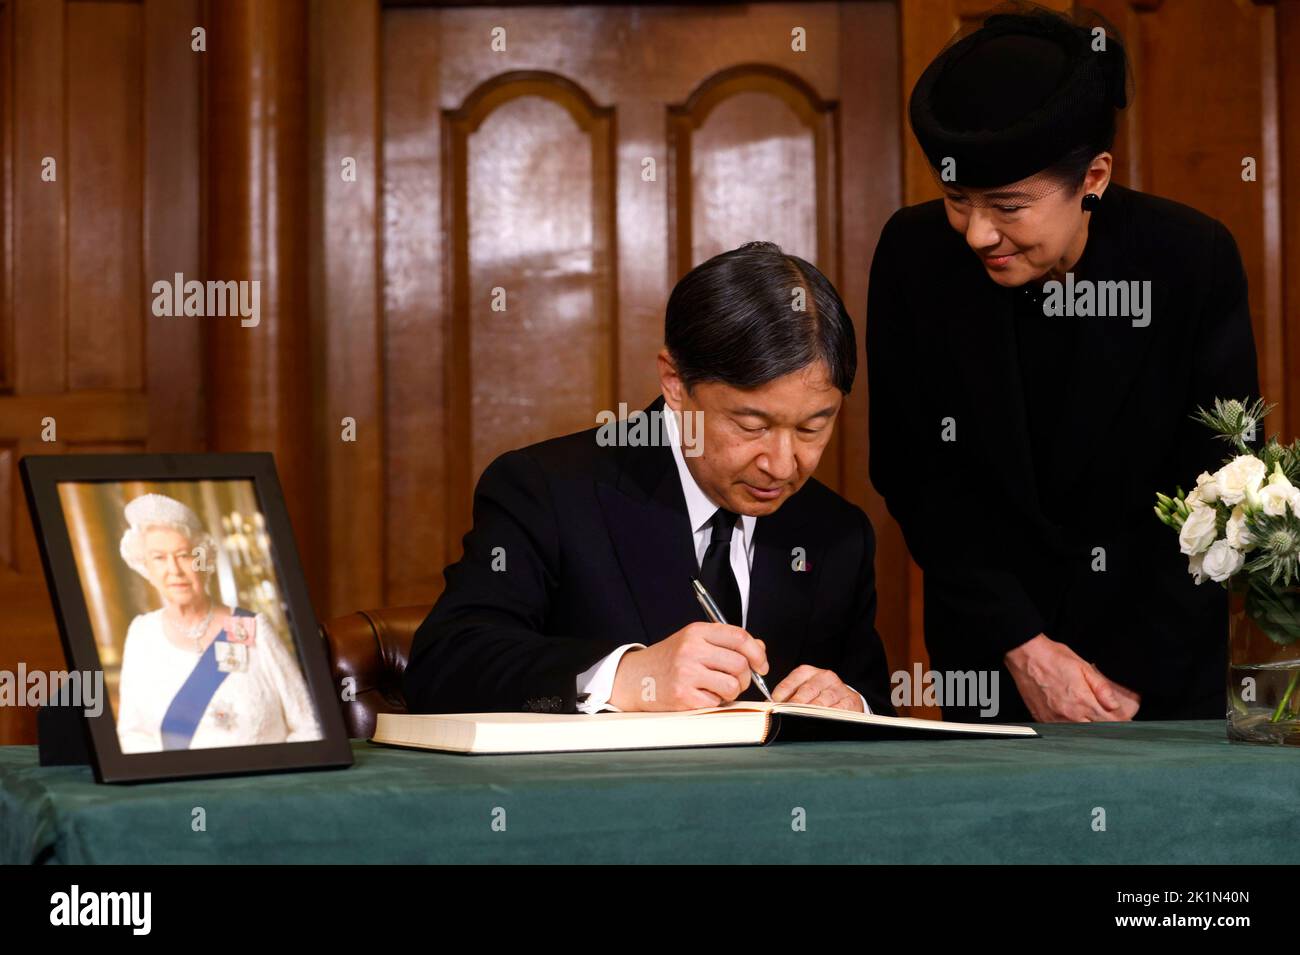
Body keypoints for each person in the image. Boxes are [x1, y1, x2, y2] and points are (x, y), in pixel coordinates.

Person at [867, 2, 1259, 723]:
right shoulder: (914, 257)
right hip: (993, 662)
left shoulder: (1189, 260)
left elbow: (1220, 485)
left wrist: (1125, 681)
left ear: (1095, 176)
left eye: (1008, 206)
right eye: (958, 199)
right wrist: (1024, 645)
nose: (978, 233)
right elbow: (914, 472)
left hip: (1161, 675)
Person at [404, 241, 894, 720]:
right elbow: (446, 665)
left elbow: (874, 702)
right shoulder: (548, 490)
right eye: (752, 426)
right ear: (676, 383)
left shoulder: (837, 533)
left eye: (813, 427)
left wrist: (853, 705)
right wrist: (628, 676)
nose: (784, 465)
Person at [114, 493, 322, 752]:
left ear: (204, 560)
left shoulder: (253, 627)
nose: (174, 570)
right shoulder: (141, 634)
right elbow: (132, 735)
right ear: (146, 567)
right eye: (159, 558)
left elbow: (309, 724)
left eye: (184, 555)